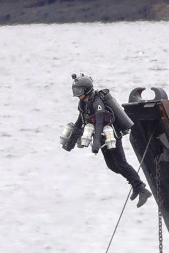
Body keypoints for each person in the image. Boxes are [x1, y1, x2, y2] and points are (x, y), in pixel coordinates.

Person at [60, 73, 151, 208]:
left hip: (111, 135)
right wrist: (70, 143)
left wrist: (96, 144)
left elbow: (99, 122)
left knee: (121, 163)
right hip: (102, 137)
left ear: (87, 90)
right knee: (112, 165)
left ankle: (141, 189)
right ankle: (136, 185)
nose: (77, 94)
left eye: (79, 91)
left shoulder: (97, 102)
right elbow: (80, 122)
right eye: (75, 91)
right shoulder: (83, 103)